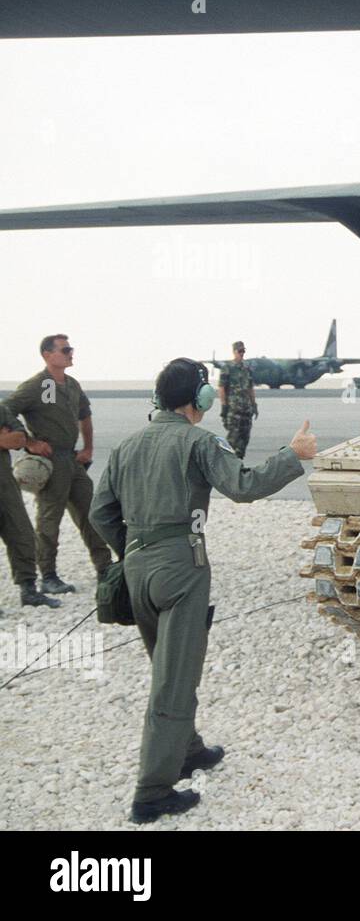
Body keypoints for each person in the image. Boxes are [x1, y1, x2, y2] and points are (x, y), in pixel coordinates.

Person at [89, 358, 315, 824]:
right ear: (201, 399)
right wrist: (294, 455)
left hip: (137, 567)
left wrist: (132, 551)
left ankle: (187, 749)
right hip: (181, 570)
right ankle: (152, 792)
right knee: (172, 681)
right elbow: (244, 486)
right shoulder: (198, 441)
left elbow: (100, 512)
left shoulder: (128, 445)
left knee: (170, 664)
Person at [6, 334, 112, 593]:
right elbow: (6, 410)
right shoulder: (36, 385)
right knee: (49, 521)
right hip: (49, 463)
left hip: (72, 460)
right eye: (65, 350)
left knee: (92, 514)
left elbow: (85, 415)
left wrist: (88, 448)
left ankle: (106, 570)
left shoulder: (72, 385)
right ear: (47, 354)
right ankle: (48, 576)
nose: (70, 354)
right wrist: (28, 442)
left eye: (70, 349)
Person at [0, 403, 60, 611]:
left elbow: (19, 437)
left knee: (21, 533)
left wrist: (9, 438)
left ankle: (28, 590)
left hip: (5, 483)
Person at [218, 340, 258, 459]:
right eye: (240, 351)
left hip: (246, 409)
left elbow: (250, 387)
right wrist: (224, 407)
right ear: (234, 352)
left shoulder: (247, 368)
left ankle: (238, 464)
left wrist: (254, 404)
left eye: (243, 351)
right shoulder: (227, 368)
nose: (242, 354)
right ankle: (225, 463)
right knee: (233, 438)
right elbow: (221, 388)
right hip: (233, 410)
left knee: (244, 438)